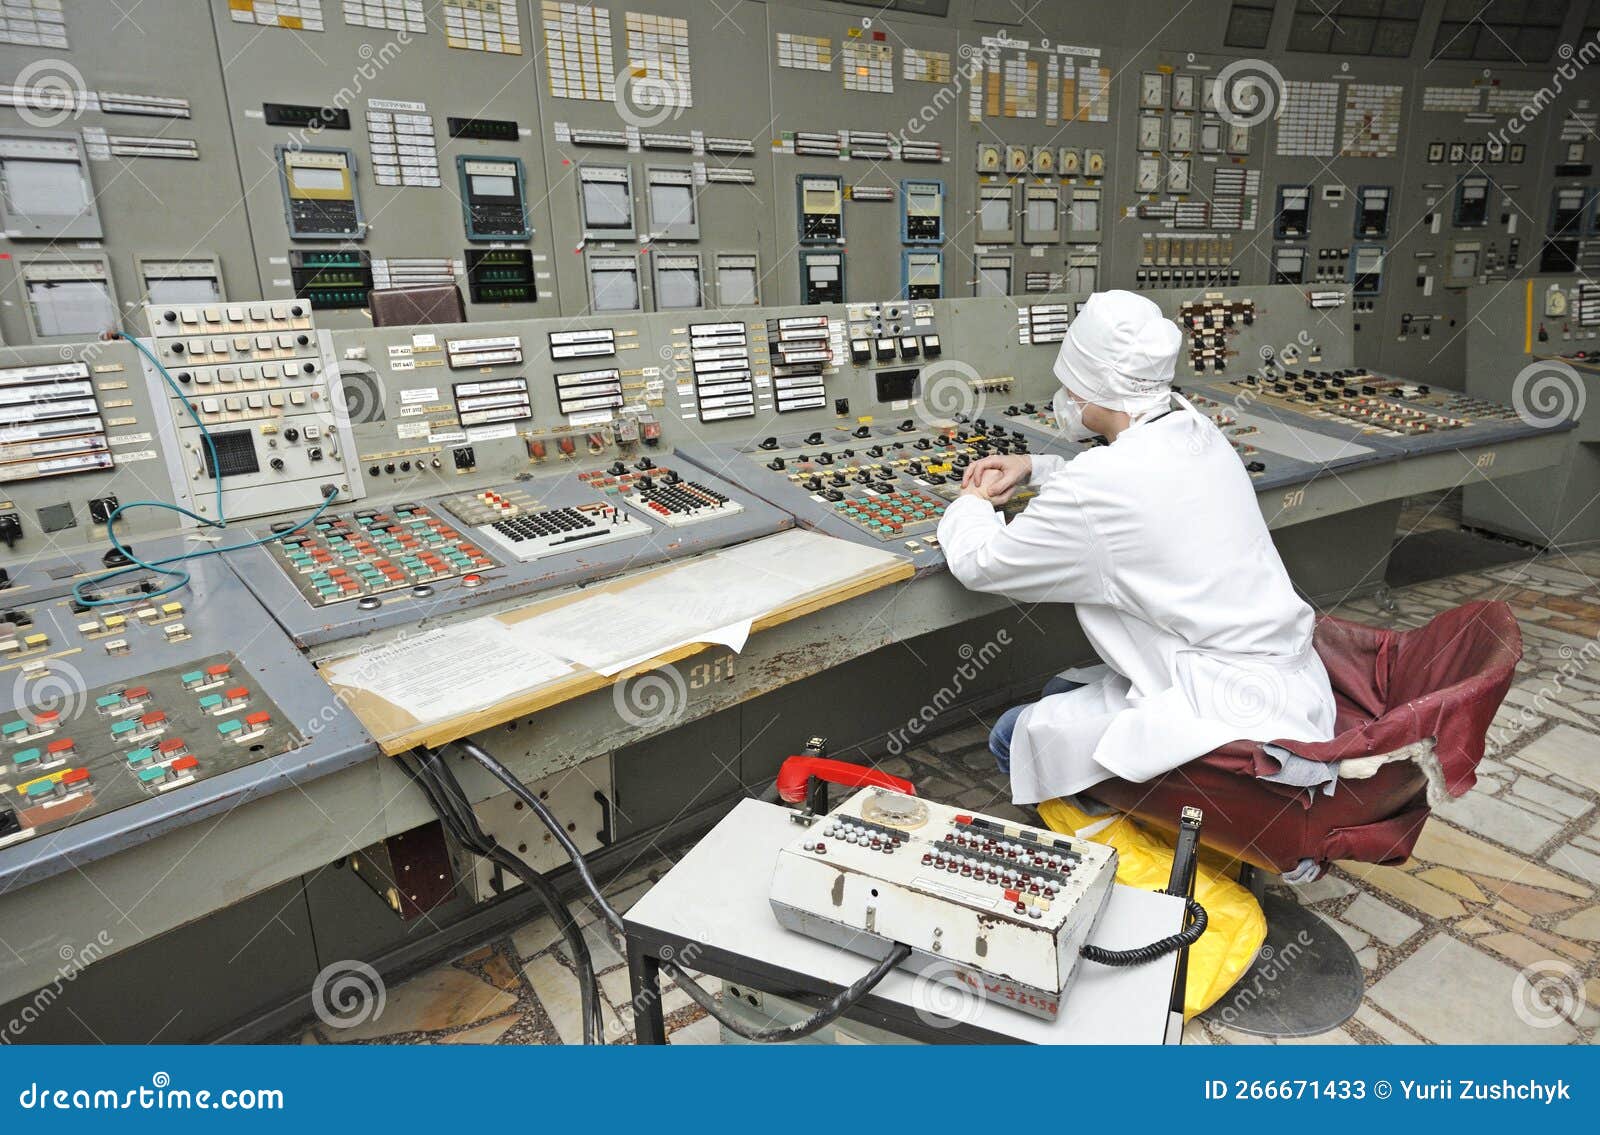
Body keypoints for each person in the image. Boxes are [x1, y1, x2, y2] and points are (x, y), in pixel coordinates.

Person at [936, 290, 1337, 805]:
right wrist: (1036, 467)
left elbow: (982, 564)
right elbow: (1134, 487)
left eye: (1070, 382)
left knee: (1011, 736)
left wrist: (970, 504)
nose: (1065, 394)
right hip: (1286, 687)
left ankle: (1124, 834)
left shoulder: (1101, 485)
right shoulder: (1195, 428)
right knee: (1060, 691)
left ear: (1091, 386)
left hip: (1225, 710)